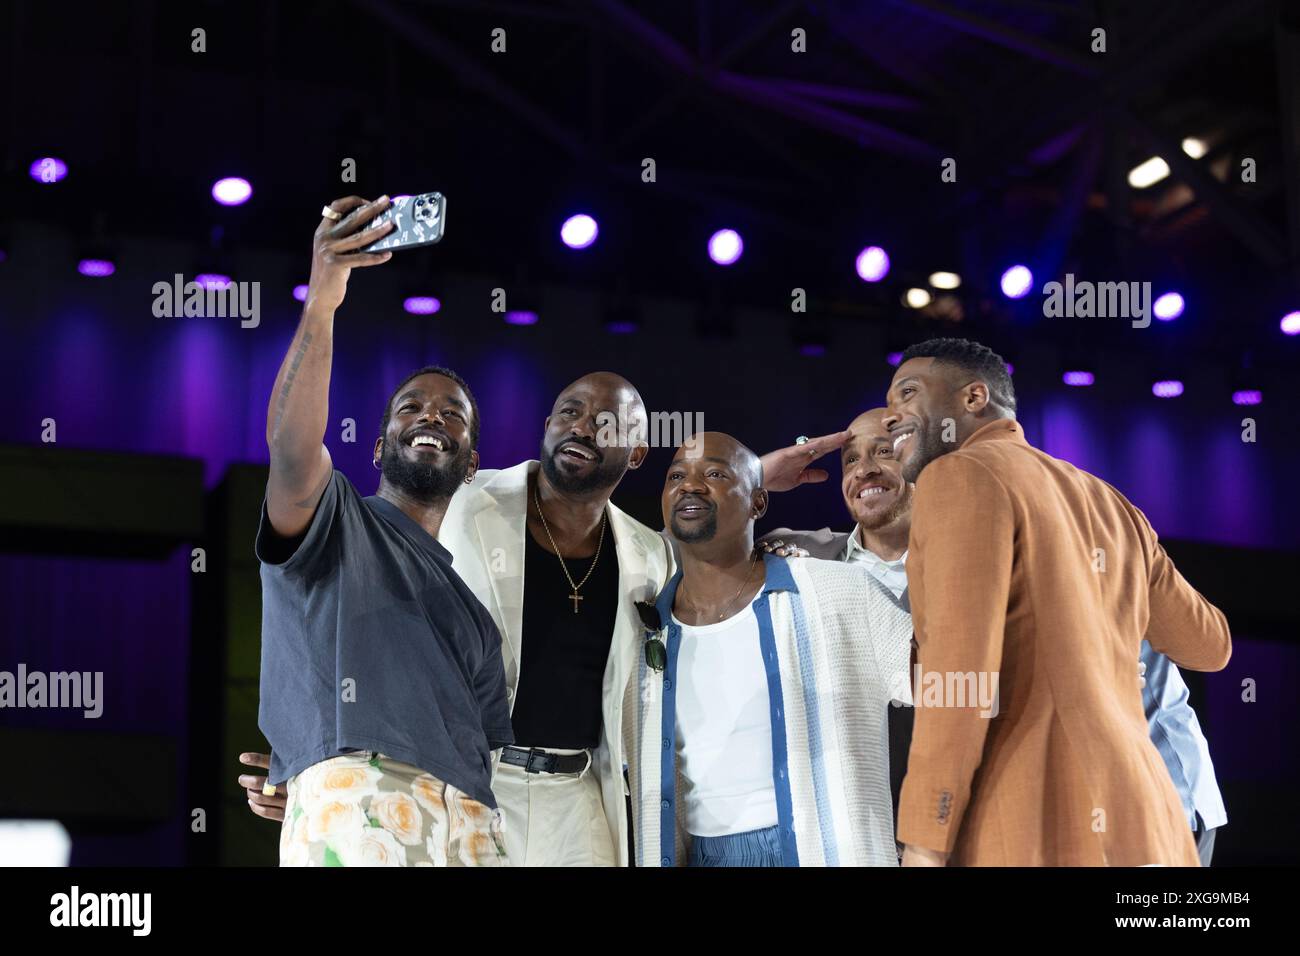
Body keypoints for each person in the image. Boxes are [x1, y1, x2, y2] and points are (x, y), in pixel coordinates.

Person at [763, 408, 1227, 864]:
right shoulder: (805, 560)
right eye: (850, 459)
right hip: (936, 822)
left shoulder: (1026, 532)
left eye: (885, 451)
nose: (864, 469)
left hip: (1141, 799)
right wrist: (758, 477)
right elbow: (714, 555)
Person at [884, 337, 1231, 866]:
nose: (892, 415)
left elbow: (960, 675)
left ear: (974, 397)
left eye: (907, 394)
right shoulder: (1112, 504)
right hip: (1148, 822)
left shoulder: (958, 475)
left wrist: (925, 838)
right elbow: (1209, 646)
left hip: (1038, 822)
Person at [256, 195, 512, 866]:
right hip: (359, 800)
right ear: (378, 448)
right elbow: (290, 448)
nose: (432, 417)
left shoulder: (477, 621)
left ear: (472, 463)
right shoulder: (335, 518)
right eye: (411, 407)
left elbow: (490, 754)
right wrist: (323, 301)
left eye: (453, 415)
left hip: (473, 823)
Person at [630, 432, 913, 867]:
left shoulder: (841, 592)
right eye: (676, 477)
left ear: (759, 503)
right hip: (705, 855)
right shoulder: (645, 629)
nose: (690, 486)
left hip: (824, 851)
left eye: (715, 474)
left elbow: (959, 692)